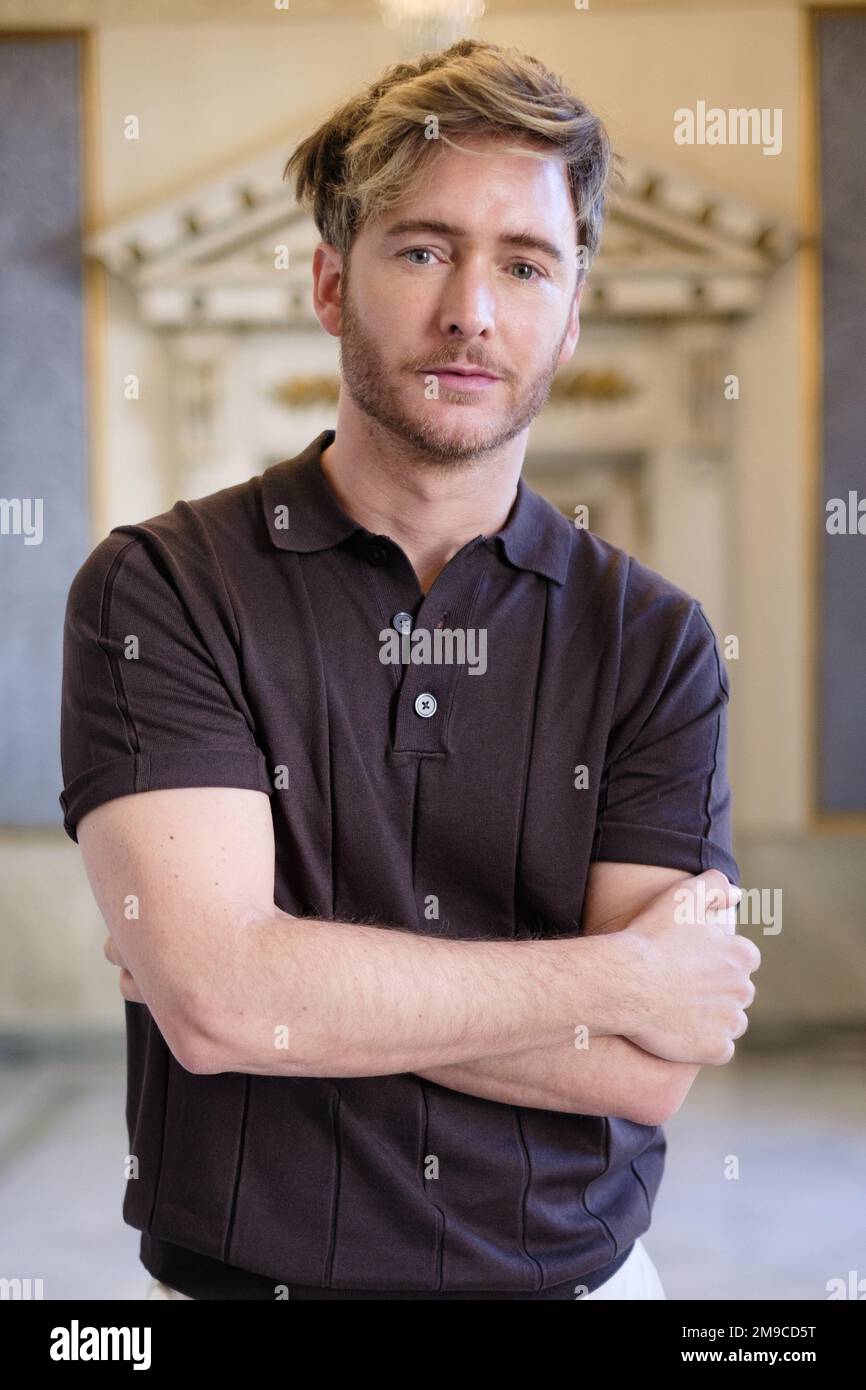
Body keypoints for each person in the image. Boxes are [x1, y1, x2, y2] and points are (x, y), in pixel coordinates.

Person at [59, 38, 759, 1301]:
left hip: (579, 1289)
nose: (470, 312)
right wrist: (612, 979)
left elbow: (645, 1067)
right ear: (331, 284)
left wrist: (280, 976)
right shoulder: (159, 587)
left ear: (572, 308)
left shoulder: (657, 643)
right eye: (422, 248)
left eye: (524, 263)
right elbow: (219, 1003)